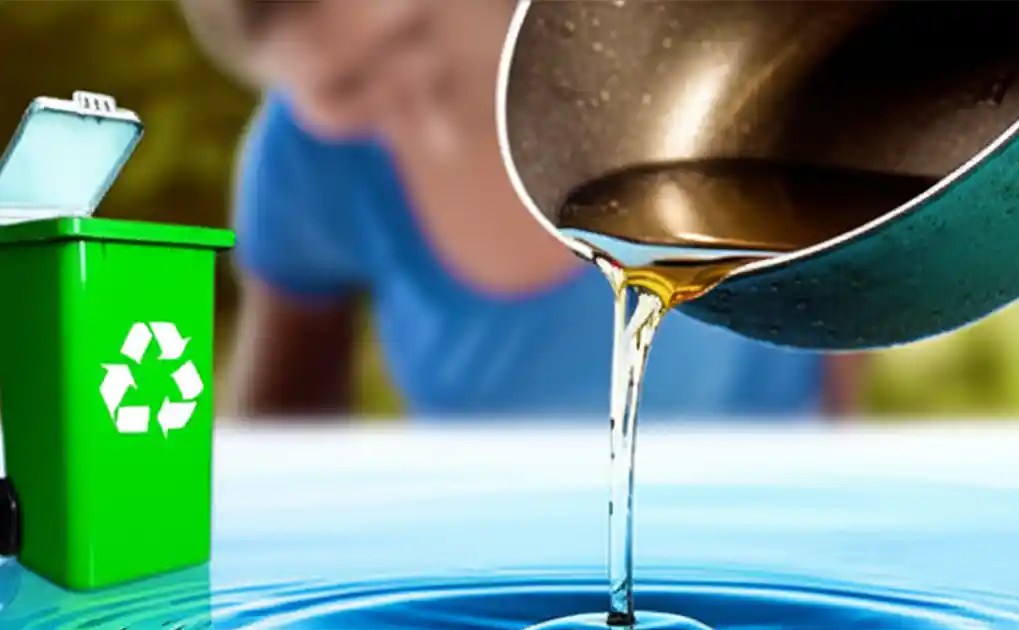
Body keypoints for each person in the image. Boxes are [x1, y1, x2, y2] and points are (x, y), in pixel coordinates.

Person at [178, 0, 861, 419]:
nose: (411, 96)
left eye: (412, 34)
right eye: (345, 85)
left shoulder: (659, 38)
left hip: (760, 535)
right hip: (494, 574)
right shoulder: (310, 162)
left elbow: (846, 270)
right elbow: (287, 436)